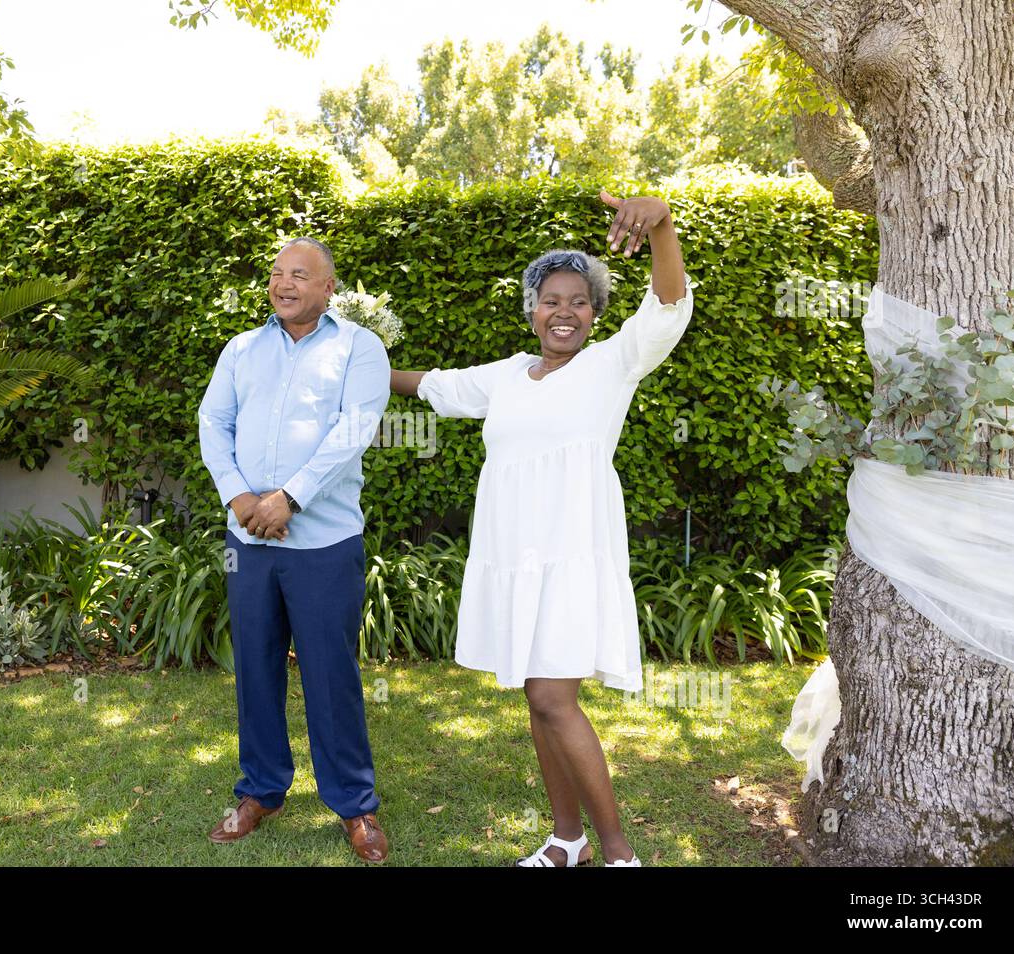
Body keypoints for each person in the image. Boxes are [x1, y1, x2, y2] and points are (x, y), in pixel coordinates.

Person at [390, 190, 694, 866]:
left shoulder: (612, 364)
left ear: (594, 314)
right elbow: (431, 384)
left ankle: (618, 854)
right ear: (532, 309)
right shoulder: (506, 376)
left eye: (579, 300)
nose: (565, 310)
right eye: (551, 299)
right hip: (515, 556)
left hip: (571, 555)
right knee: (538, 697)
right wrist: (357, 367)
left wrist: (663, 225)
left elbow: (669, 306)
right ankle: (567, 839)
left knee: (554, 696)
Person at [197, 236, 392, 863]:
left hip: (325, 541)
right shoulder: (241, 349)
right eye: (278, 274)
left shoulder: (359, 348)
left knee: (331, 674)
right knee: (254, 666)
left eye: (299, 275)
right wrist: (239, 499)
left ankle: (354, 806)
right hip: (247, 538)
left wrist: (289, 499)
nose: (284, 284)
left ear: (329, 287)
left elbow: (354, 430)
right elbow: (213, 423)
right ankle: (261, 790)